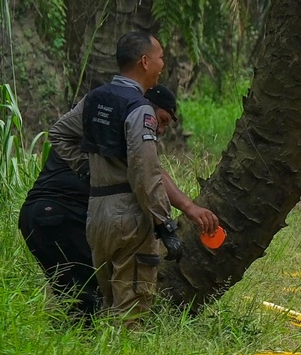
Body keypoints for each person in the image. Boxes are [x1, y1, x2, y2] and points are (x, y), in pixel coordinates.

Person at [18, 84, 218, 319]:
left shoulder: (105, 126)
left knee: (77, 297)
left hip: (36, 216)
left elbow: (149, 171)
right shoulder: (124, 121)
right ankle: (96, 346)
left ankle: (75, 344)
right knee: (90, 302)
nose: (161, 130)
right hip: (60, 216)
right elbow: (148, 175)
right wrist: (173, 219)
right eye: (162, 120)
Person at [48, 31, 203, 320]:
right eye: (160, 59)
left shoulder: (94, 99)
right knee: (131, 312)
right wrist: (164, 224)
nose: (162, 66)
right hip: (129, 216)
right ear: (144, 62)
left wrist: (85, 169)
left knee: (109, 305)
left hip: (96, 215)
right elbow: (145, 173)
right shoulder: (140, 109)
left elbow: (58, 134)